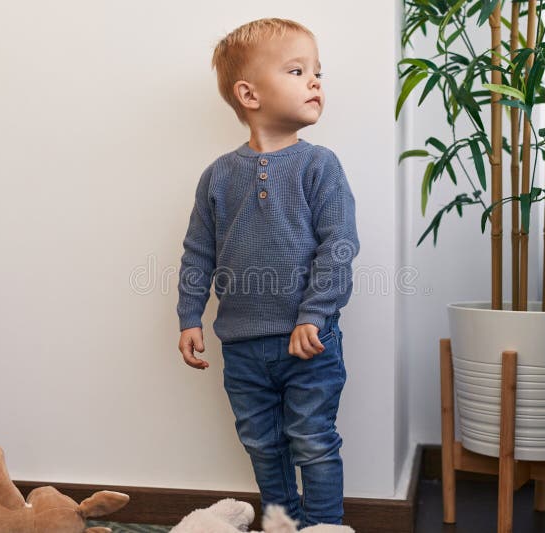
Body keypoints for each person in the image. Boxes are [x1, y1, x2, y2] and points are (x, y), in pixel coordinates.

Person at [176, 17, 360, 527]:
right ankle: (284, 523)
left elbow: (338, 247)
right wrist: (190, 315)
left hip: (309, 342)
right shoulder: (217, 176)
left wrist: (315, 315)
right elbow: (198, 252)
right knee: (262, 444)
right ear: (249, 94)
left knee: (314, 441)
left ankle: (324, 526)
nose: (316, 82)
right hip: (242, 347)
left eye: (318, 71)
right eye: (298, 71)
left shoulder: (319, 166)